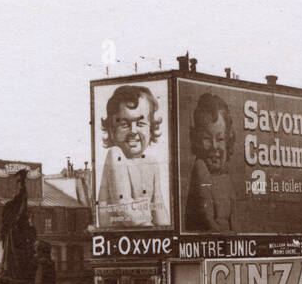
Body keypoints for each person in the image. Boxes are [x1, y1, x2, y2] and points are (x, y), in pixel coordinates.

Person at [97, 84, 168, 228]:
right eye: (124, 124)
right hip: (120, 233)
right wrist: (148, 227)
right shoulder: (115, 155)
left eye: (141, 123)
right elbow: (122, 203)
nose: (133, 131)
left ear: (151, 128)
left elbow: (157, 203)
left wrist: (166, 228)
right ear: (112, 130)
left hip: (144, 232)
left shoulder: (152, 162)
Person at [183, 92, 244, 232]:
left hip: (227, 245)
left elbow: (235, 222)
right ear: (197, 140)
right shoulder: (200, 168)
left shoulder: (226, 177)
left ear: (228, 140)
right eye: (207, 139)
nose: (215, 146)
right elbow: (207, 220)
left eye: (220, 139)